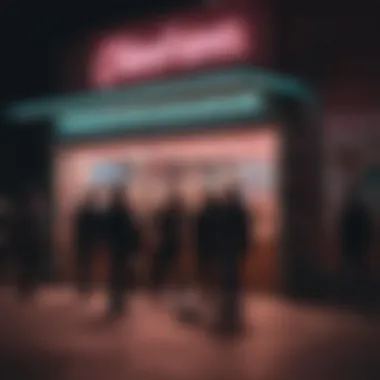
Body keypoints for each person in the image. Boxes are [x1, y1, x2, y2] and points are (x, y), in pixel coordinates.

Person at [215, 186, 250, 335]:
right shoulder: (239, 212)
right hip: (233, 246)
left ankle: (228, 291)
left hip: (227, 246)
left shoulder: (225, 212)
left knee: (228, 270)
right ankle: (231, 291)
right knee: (231, 270)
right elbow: (244, 230)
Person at [105, 187, 139, 318]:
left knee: (117, 276)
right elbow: (131, 232)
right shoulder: (125, 214)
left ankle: (117, 302)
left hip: (119, 249)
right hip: (122, 249)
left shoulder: (114, 213)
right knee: (118, 276)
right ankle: (118, 302)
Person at [150, 190, 185, 299]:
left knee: (163, 266)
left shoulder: (167, 215)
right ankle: (160, 285)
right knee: (163, 266)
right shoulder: (173, 216)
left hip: (168, 244)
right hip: (168, 244)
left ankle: (160, 285)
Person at [339, 184, 373, 295]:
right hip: (356, 246)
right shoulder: (359, 212)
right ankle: (356, 293)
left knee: (355, 271)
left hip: (355, 245)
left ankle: (355, 293)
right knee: (355, 271)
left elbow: (346, 230)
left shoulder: (355, 212)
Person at [74, 190, 106, 296]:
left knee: (84, 265)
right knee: (86, 265)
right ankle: (85, 286)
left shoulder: (84, 213)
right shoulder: (92, 214)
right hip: (87, 242)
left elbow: (78, 228)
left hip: (85, 242)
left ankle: (84, 286)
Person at [15, 188, 46, 297]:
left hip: (32, 245)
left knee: (31, 267)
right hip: (27, 245)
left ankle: (29, 288)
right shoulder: (26, 214)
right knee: (26, 267)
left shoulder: (33, 214)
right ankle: (25, 288)